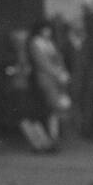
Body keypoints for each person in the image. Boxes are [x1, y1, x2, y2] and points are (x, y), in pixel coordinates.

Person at [28, 19, 71, 150]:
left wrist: (63, 71)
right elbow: (41, 63)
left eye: (49, 29)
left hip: (57, 78)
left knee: (56, 109)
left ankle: (54, 137)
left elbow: (59, 59)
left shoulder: (50, 43)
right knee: (53, 106)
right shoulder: (36, 43)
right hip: (45, 79)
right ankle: (50, 138)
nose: (48, 32)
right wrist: (57, 73)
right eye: (45, 29)